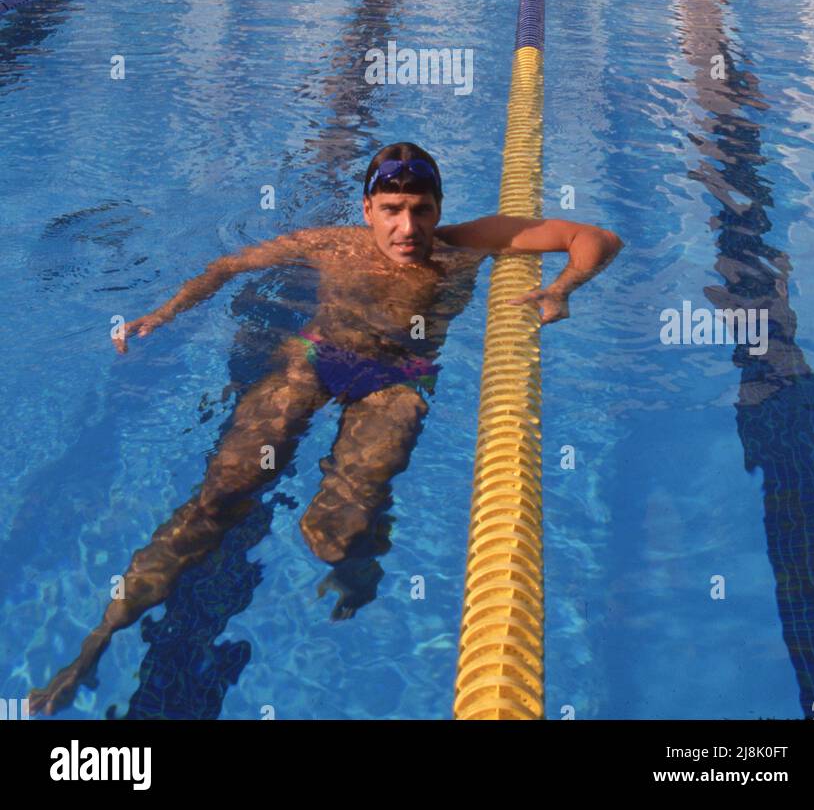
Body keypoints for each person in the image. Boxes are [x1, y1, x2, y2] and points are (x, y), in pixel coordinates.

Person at [28, 141, 622, 715]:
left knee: (333, 532)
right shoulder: (331, 246)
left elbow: (595, 237)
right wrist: (161, 314)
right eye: (391, 211)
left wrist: (562, 289)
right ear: (368, 210)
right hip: (312, 363)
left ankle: (359, 557)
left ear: (439, 208)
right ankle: (95, 644)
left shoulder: (466, 245)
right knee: (218, 499)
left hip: (397, 381)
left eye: (421, 210)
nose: (408, 228)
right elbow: (229, 265)